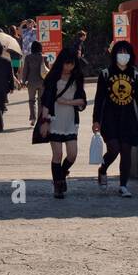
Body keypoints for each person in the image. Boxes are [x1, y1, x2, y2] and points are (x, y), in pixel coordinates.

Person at [93, 40, 138, 198]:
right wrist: (96, 120)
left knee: (126, 151)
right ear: (114, 55)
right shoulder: (105, 74)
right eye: (120, 52)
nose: (123, 56)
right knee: (114, 149)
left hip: (128, 118)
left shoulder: (135, 74)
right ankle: (103, 169)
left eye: (126, 53)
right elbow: (99, 99)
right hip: (109, 118)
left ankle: (123, 185)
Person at [37, 47, 87, 199]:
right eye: (66, 64)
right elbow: (46, 102)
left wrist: (68, 102)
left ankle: (62, 173)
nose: (68, 67)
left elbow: (82, 101)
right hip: (54, 120)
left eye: (71, 64)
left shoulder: (77, 77)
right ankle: (57, 186)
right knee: (57, 155)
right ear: (61, 63)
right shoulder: (53, 78)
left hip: (71, 121)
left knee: (72, 155)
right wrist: (44, 122)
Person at [20, 40, 46, 122]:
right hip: (42, 82)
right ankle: (40, 118)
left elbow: (25, 70)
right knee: (41, 101)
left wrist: (23, 81)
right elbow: (47, 70)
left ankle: (32, 118)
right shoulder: (44, 57)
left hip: (31, 82)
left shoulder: (28, 57)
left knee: (31, 100)